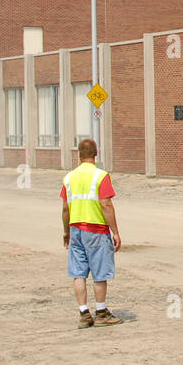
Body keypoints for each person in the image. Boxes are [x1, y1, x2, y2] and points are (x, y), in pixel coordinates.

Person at [61, 138, 123, 328]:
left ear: (79, 155)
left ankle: (83, 313)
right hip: (96, 229)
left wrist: (66, 232)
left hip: (75, 229)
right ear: (96, 154)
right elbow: (106, 204)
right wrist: (115, 232)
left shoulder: (69, 178)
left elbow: (65, 208)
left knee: (78, 273)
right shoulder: (100, 176)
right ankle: (102, 313)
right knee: (99, 273)